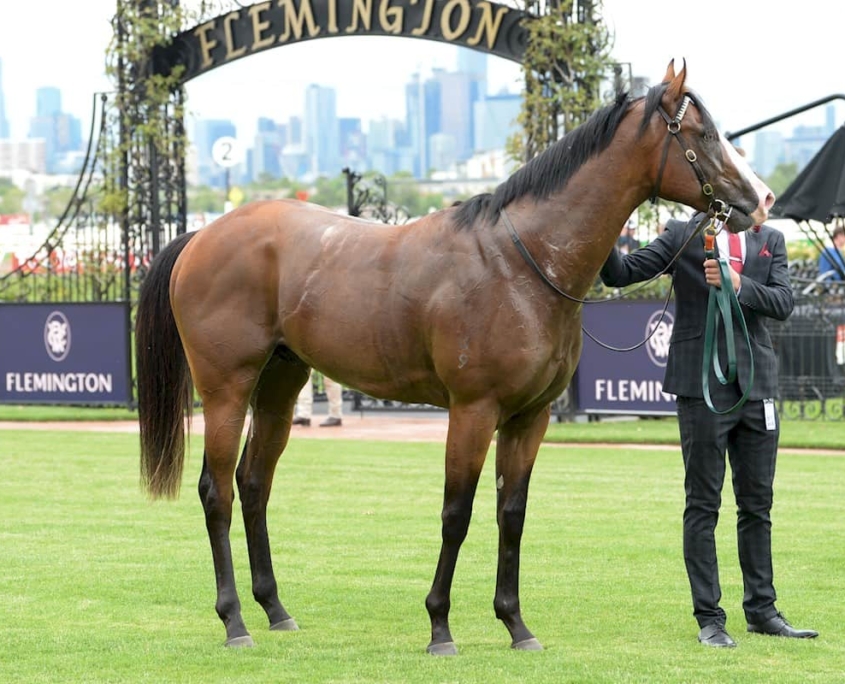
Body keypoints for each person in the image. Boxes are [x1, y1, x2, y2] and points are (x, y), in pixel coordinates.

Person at [600, 212, 818, 648]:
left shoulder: (769, 239)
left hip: (758, 388)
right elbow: (621, 274)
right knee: (703, 504)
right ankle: (710, 619)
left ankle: (762, 610)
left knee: (758, 505)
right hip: (700, 386)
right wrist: (606, 221)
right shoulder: (684, 235)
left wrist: (739, 285)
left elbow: (782, 303)